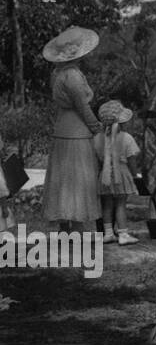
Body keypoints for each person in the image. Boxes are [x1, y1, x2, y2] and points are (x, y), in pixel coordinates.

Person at [41, 26, 103, 234]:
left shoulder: (58, 74)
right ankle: (75, 227)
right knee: (77, 179)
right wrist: (96, 127)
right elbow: (82, 106)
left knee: (63, 179)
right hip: (76, 130)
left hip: (63, 127)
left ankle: (64, 228)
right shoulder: (73, 76)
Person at [92, 100, 140, 245]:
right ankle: (123, 234)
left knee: (107, 205)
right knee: (120, 204)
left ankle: (108, 233)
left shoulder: (97, 138)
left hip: (105, 176)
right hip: (121, 174)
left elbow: (97, 160)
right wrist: (134, 174)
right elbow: (132, 159)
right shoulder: (126, 138)